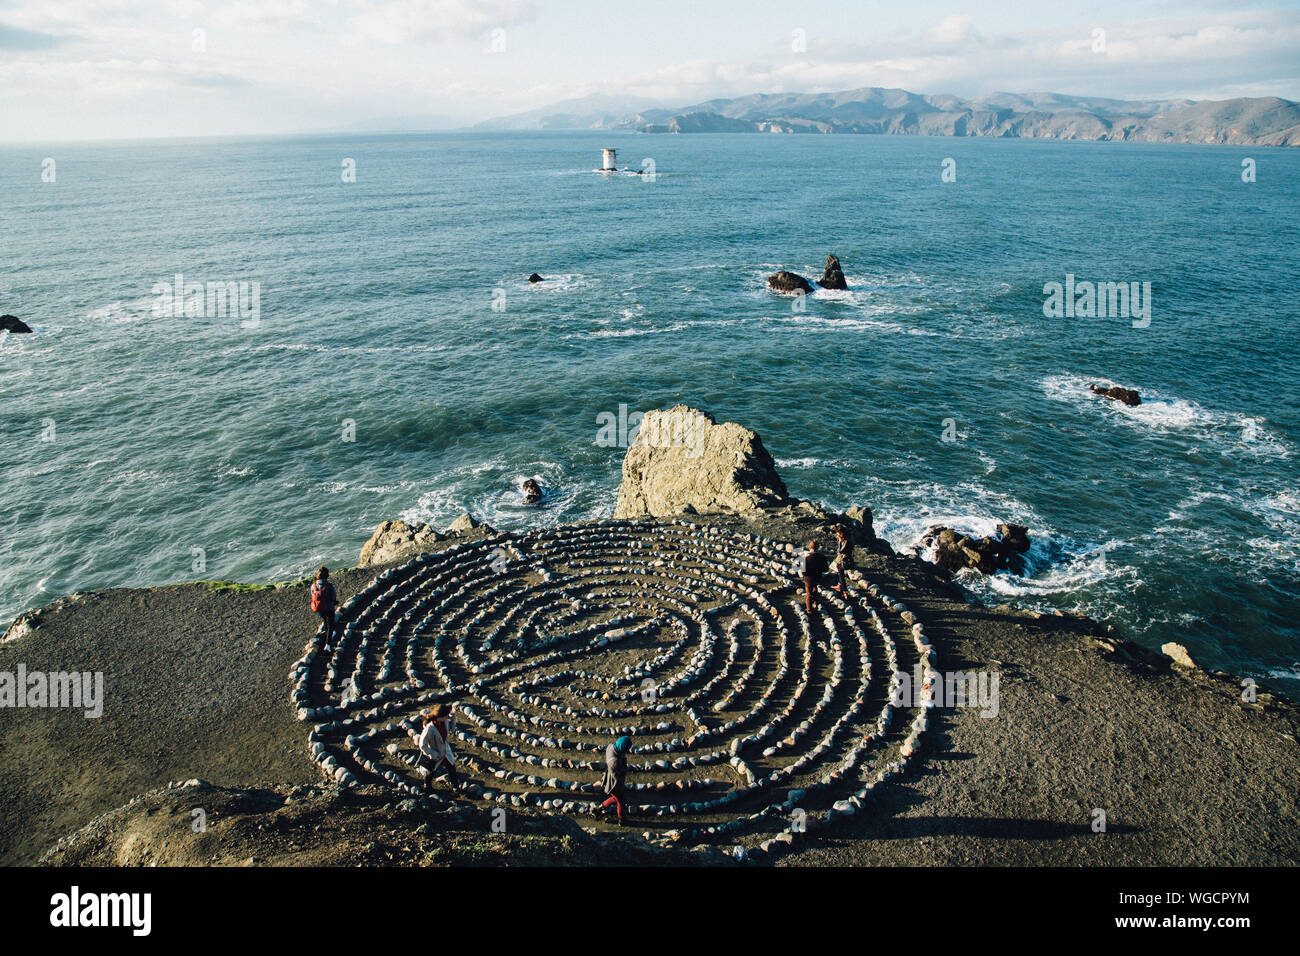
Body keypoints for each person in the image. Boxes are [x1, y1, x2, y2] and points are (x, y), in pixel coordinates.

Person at [417, 704, 459, 791]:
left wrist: (453, 715)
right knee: (432, 771)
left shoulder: (445, 722)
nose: (447, 717)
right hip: (435, 752)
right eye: (446, 716)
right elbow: (422, 744)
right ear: (440, 716)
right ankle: (427, 785)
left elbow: (452, 728)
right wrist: (432, 753)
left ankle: (455, 787)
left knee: (452, 768)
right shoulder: (429, 729)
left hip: (445, 750)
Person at [600, 735, 632, 826]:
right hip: (613, 784)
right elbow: (618, 777)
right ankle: (621, 819)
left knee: (615, 798)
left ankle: (601, 807)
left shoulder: (610, 747)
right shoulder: (615, 762)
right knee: (621, 801)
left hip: (609, 776)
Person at [310, 566, 338, 648]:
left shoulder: (313, 586)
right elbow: (333, 597)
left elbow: (312, 596)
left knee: (325, 620)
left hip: (318, 608)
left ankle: (326, 635)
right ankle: (328, 645)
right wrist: (334, 602)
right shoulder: (329, 586)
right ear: (327, 575)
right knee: (331, 626)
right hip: (329, 608)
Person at [799, 540, 829, 613]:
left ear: (809, 548)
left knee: (808, 593)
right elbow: (826, 569)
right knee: (815, 589)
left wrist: (805, 576)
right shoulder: (822, 557)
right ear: (818, 547)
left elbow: (803, 571)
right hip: (818, 577)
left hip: (808, 578)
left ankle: (809, 610)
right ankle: (815, 603)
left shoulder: (805, 558)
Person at [833, 525, 855, 595]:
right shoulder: (849, 539)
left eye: (838, 533)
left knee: (841, 574)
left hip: (843, 559)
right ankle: (839, 586)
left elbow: (840, 551)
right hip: (844, 558)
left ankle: (844, 590)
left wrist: (839, 542)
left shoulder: (846, 541)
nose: (837, 535)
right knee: (840, 573)